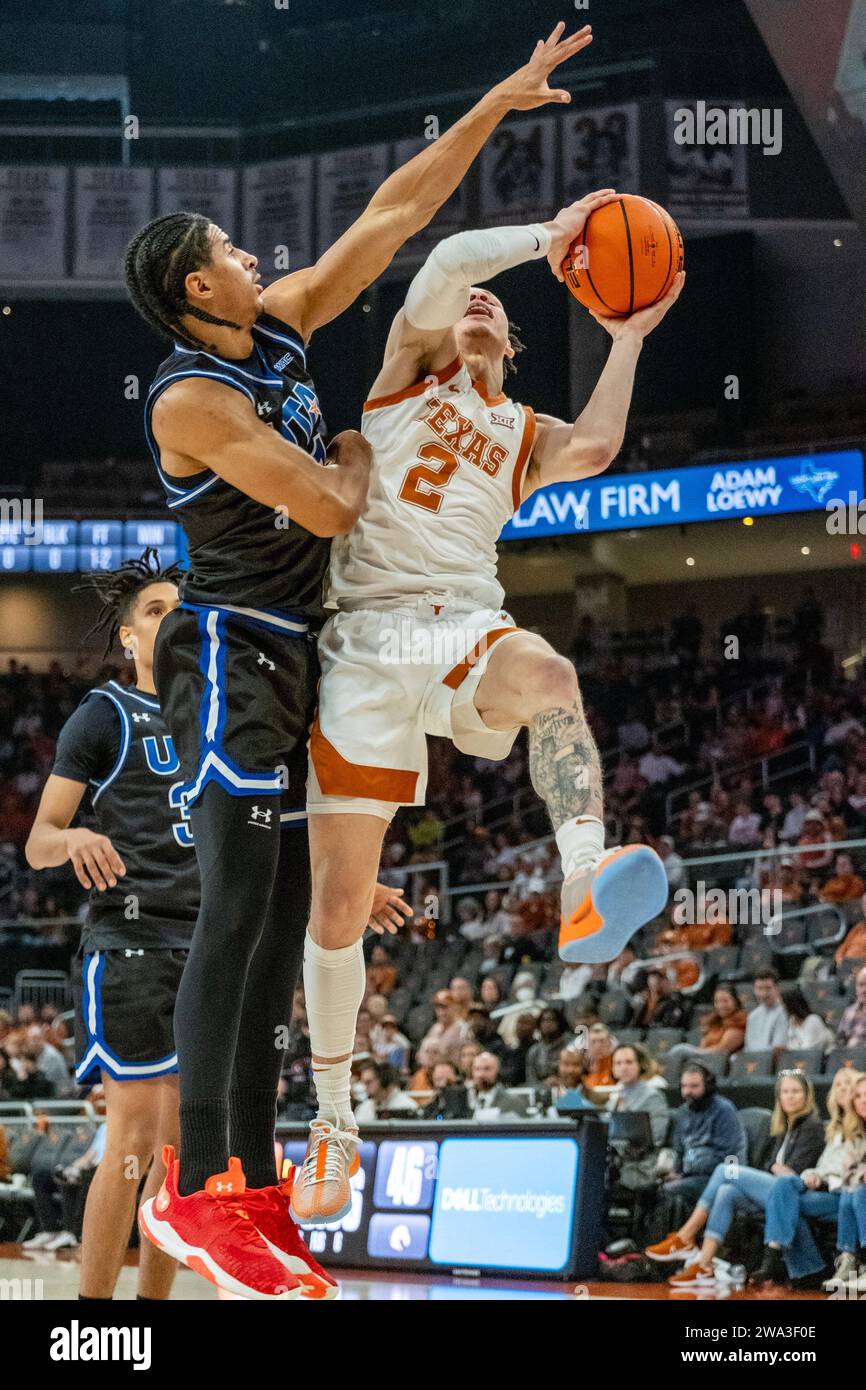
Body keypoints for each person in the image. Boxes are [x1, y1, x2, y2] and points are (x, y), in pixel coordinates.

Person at [127, 26, 590, 1296]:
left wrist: (492, 105)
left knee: (281, 927)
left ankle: (257, 1189)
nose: (251, 254)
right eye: (225, 250)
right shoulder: (186, 398)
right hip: (225, 648)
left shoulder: (275, 325)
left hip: (302, 648)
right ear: (191, 293)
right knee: (233, 913)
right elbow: (332, 507)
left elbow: (395, 216)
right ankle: (191, 1188)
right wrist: (345, 446)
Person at [292, 182, 682, 1218]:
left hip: (462, 621)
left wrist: (626, 336)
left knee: (552, 675)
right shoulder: (404, 374)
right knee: (335, 908)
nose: (474, 308)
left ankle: (583, 882)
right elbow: (442, 262)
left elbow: (595, 449)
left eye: (492, 312)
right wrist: (545, 239)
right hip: (366, 638)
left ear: (509, 343)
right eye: (470, 303)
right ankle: (332, 1122)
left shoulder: (520, 432)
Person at [23, 554, 198, 1301]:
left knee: (184, 1155)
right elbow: (39, 840)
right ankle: (97, 1322)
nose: (170, 620)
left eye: (179, 608)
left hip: (210, 947)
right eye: (154, 610)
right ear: (129, 637)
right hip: (133, 941)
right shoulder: (106, 713)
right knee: (130, 1140)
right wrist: (76, 839)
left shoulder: (225, 717)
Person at [656, 1070, 825, 1288]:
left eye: (796, 1091)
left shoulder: (812, 1127)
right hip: (778, 1188)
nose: (790, 1096)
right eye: (785, 1092)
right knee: (727, 1192)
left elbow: (794, 1174)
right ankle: (705, 1265)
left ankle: (686, 1236)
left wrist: (774, 1167)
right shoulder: (785, 1127)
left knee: (725, 1170)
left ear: (807, 1096)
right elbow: (771, 1165)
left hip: (793, 1191)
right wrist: (774, 1166)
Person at [752, 1066, 858, 1287]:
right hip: (823, 1188)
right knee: (785, 1191)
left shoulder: (854, 1128)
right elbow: (821, 1167)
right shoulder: (835, 1129)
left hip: (841, 1194)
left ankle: (776, 1257)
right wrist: (813, 1175)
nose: (841, 1090)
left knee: (781, 1197)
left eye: (847, 1085)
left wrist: (823, 1178)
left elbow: (849, 1170)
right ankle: (809, 1270)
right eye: (837, 1085)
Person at [648, 1063, 747, 1236]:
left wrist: (731, 1180)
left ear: (707, 1087)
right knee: (653, 1188)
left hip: (717, 1177)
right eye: (684, 1086)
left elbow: (733, 1153)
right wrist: (676, 1172)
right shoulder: (682, 1113)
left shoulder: (724, 1110)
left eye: (694, 1086)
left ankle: (677, 1242)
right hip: (690, 1177)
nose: (688, 1092)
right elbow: (679, 1150)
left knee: (670, 1191)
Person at [823, 1071, 866, 1292]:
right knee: (851, 1192)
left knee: (858, 1192)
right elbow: (847, 1171)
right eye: (858, 1096)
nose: (863, 1100)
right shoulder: (855, 1129)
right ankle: (849, 1262)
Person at [606, 1043, 669, 1190]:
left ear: (640, 1065)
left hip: (639, 1165)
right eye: (618, 1063)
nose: (623, 1067)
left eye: (629, 1062)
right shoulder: (613, 1098)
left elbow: (655, 1138)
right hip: (614, 1163)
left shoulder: (653, 1097)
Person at [353, 1061, 418, 1123]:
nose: (365, 1088)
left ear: (384, 1080)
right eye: (364, 1083)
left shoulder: (408, 1108)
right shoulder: (364, 1108)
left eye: (368, 1082)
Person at [525, 1006, 573, 1087]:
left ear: (559, 1022)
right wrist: (544, 1085)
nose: (547, 1024)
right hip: (542, 1093)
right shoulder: (534, 1051)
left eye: (551, 1020)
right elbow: (531, 1080)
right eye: (543, 1020)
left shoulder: (571, 1045)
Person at [744, 969, 788, 1052]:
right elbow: (748, 1048)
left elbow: (779, 1048)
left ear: (777, 989)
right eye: (759, 988)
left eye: (768, 988)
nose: (763, 994)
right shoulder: (752, 1016)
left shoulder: (785, 1011)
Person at [782, 985, 834, 1052]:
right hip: (802, 1059)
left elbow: (808, 1049)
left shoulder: (813, 1020)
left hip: (824, 1058)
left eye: (783, 1005)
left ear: (792, 1005)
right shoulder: (791, 1021)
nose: (781, 1008)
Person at [500, 1012, 538, 1086]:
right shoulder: (511, 1051)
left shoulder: (536, 1050)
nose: (520, 1027)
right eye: (519, 1023)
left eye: (525, 1023)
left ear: (534, 1027)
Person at [836, 966, 866, 1049]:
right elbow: (840, 1040)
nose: (864, 990)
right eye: (860, 985)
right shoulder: (849, 1011)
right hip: (849, 1058)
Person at [582, 1022, 617, 1088]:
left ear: (610, 1044)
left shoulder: (618, 1062)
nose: (598, 1046)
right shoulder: (580, 1064)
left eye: (602, 1041)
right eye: (593, 1042)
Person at [836, 896, 866, 965]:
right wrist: (839, 957)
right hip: (846, 964)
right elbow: (844, 946)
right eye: (864, 905)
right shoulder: (858, 927)